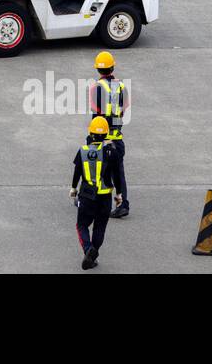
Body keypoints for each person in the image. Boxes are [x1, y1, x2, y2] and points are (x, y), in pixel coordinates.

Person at [70, 116, 123, 269]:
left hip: (87, 195)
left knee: (81, 225)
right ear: (106, 133)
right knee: (99, 228)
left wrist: (73, 188)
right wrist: (119, 195)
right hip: (105, 197)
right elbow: (117, 175)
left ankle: (88, 249)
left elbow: (77, 171)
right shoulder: (111, 152)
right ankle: (93, 254)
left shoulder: (82, 151)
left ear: (90, 132)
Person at [89, 50, 130, 218]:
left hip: (101, 138)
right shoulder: (121, 86)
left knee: (94, 171)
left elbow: (95, 114)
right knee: (118, 173)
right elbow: (123, 109)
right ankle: (123, 203)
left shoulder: (96, 87)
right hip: (117, 138)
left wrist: (93, 137)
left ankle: (92, 202)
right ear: (112, 67)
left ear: (98, 69)